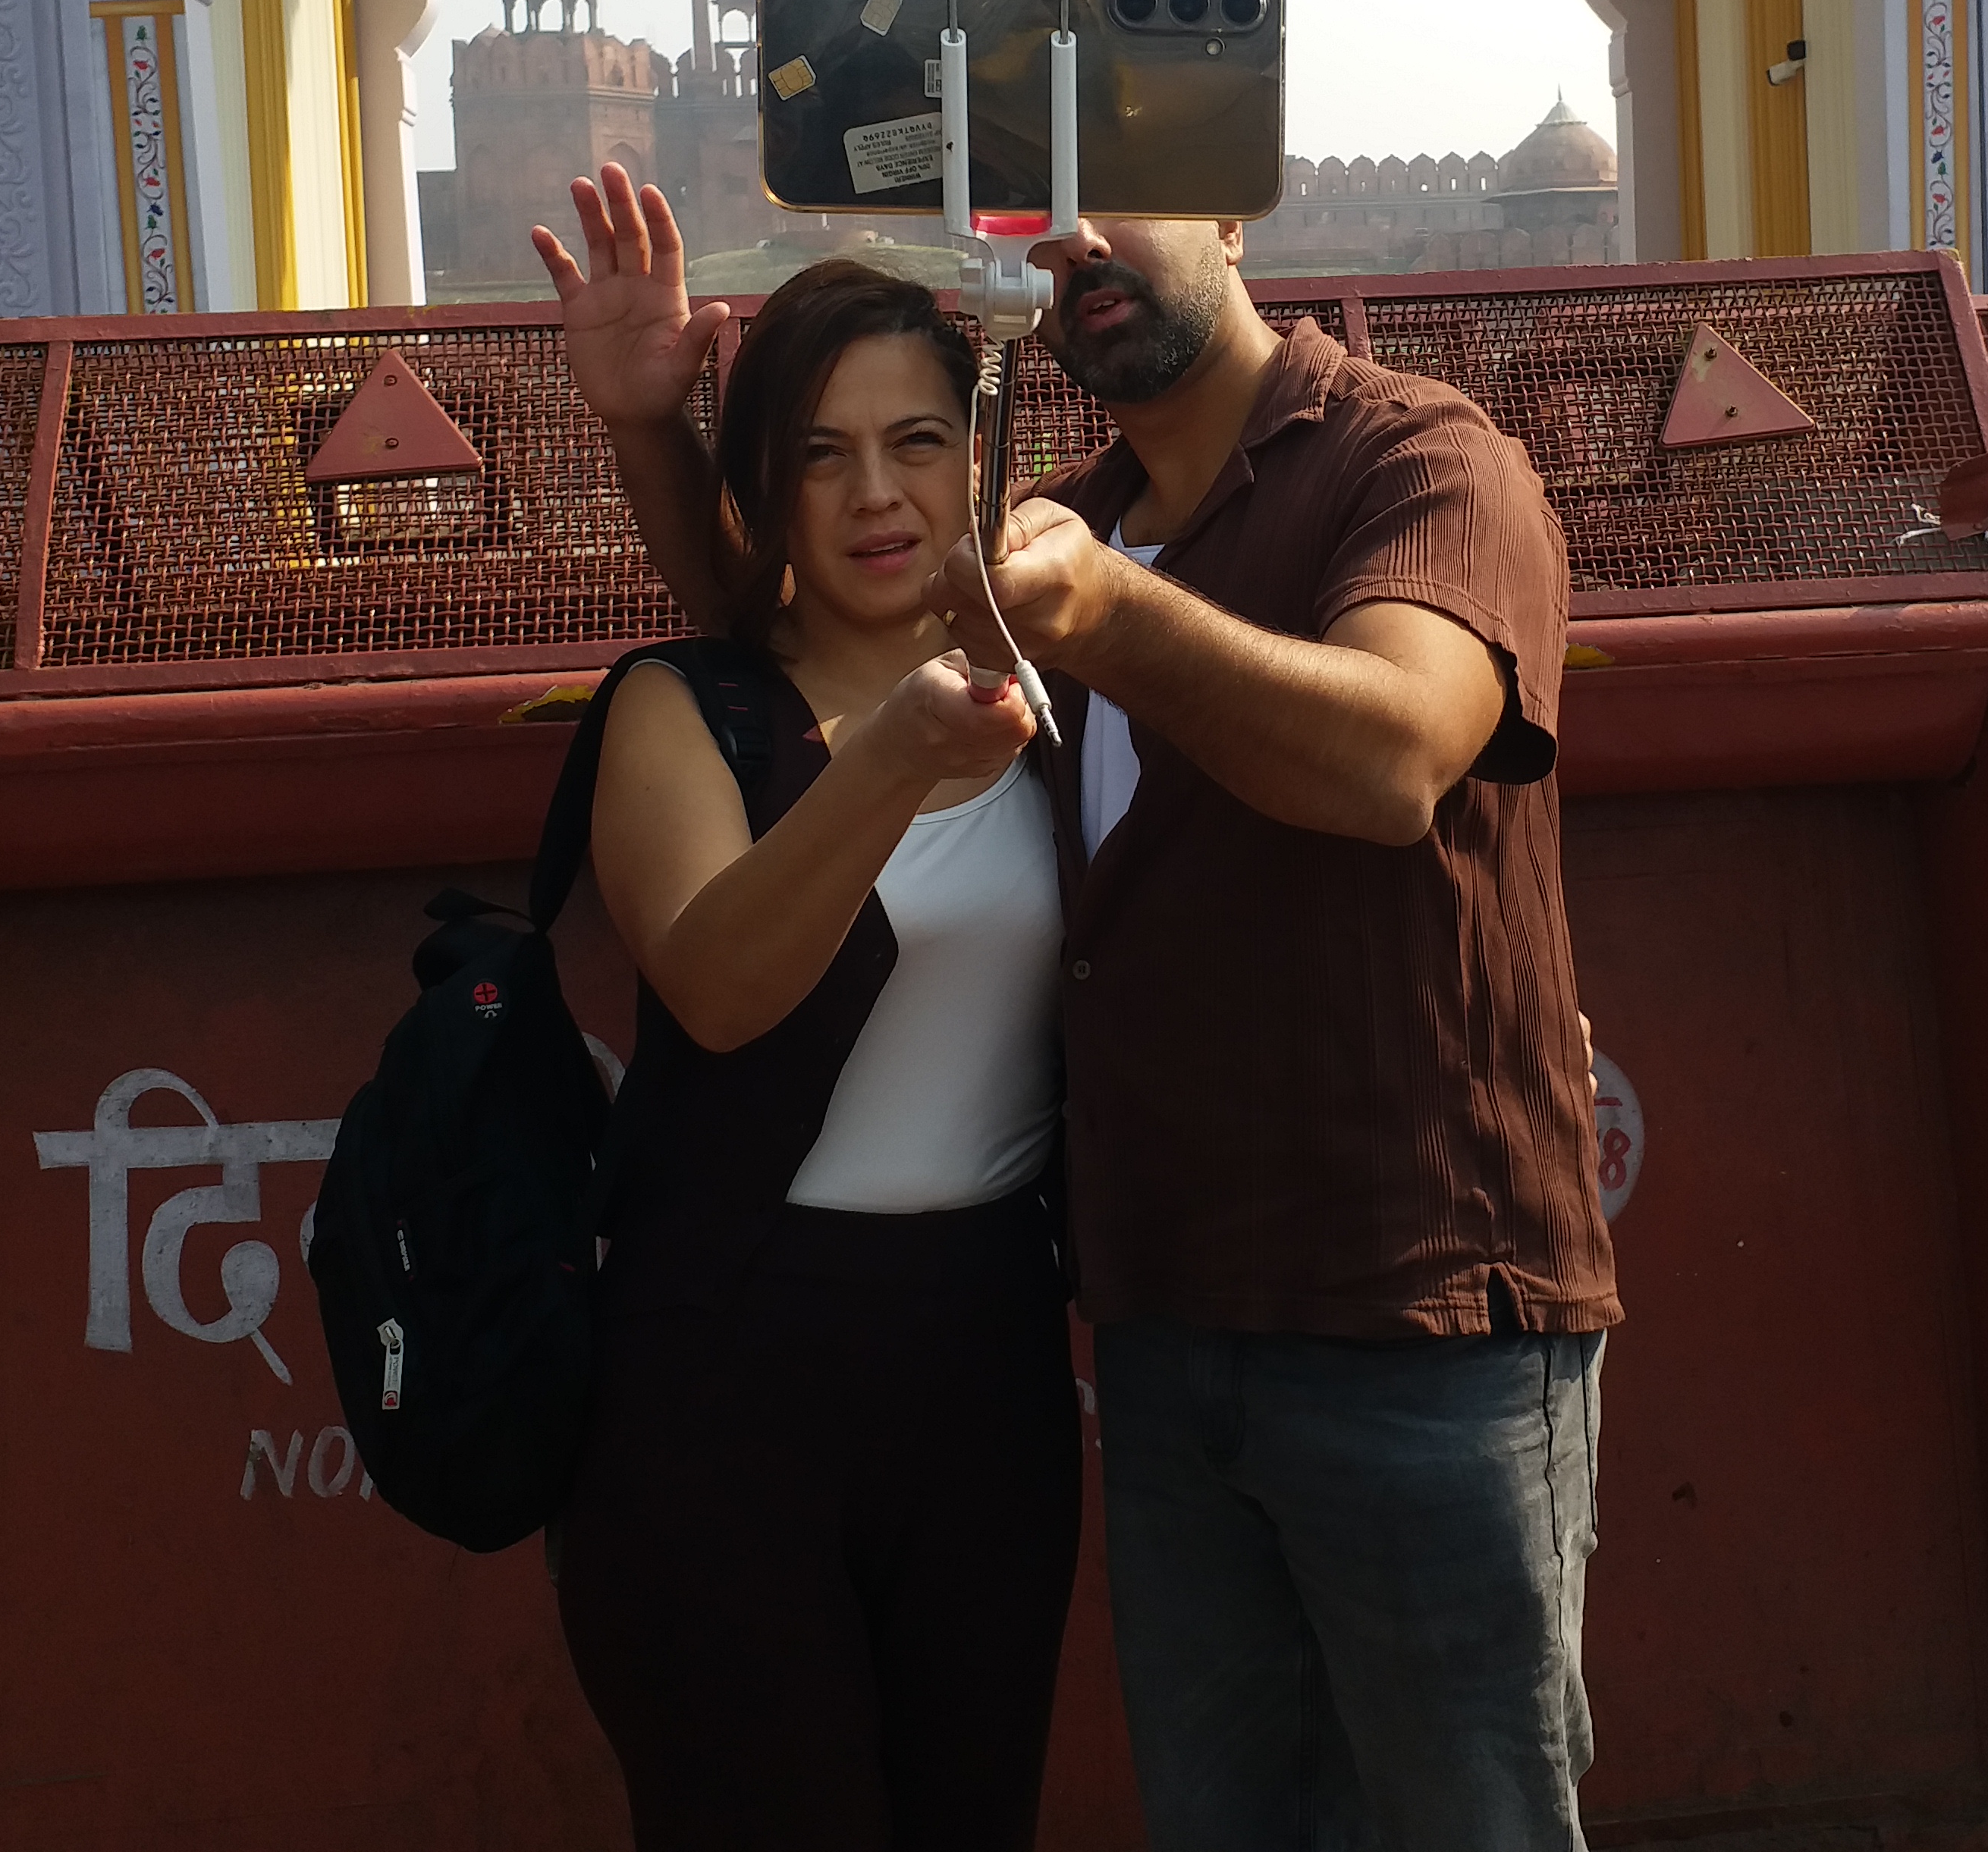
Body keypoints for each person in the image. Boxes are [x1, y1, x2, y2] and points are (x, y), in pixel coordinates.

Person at [544, 166, 1619, 1852]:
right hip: (1148, 1334)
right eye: (1045, 211)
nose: (1084, 244)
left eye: (1134, 190)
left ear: (1241, 210)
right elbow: (803, 623)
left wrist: (1107, 613)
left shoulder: (1413, 464)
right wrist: (653, 436)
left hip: (1410, 1311)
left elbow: (1401, 758)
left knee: (1458, 1814)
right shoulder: (1049, 552)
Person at [537, 235, 1079, 1852]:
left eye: (917, 442)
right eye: (821, 456)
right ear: (764, 487)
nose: (876, 496)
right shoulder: (682, 711)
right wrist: (894, 755)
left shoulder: (1057, 698)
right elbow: (718, 981)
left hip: (984, 1345)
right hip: (727, 1357)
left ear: (979, 458)